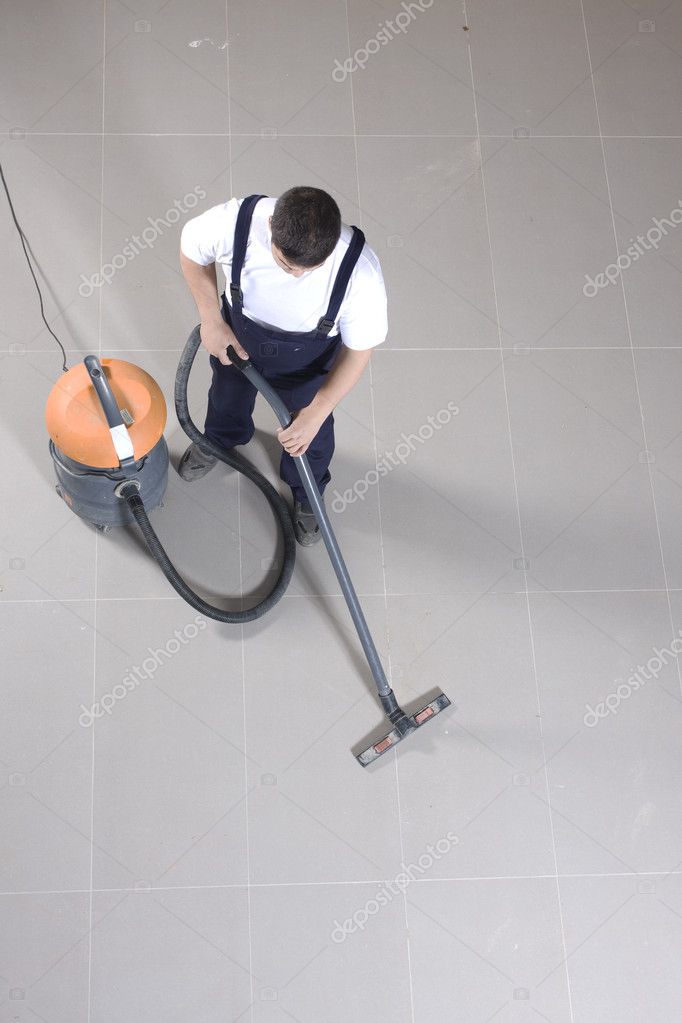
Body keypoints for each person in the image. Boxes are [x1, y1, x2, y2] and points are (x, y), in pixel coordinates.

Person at [178, 186, 388, 545]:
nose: (295, 275)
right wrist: (211, 319)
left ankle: (307, 493)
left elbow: (359, 352)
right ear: (272, 225)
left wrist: (319, 410)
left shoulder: (359, 272)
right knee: (226, 399)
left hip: (308, 363)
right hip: (240, 339)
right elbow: (191, 252)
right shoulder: (234, 222)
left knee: (310, 437)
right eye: (286, 264)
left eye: (310, 269)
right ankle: (217, 442)